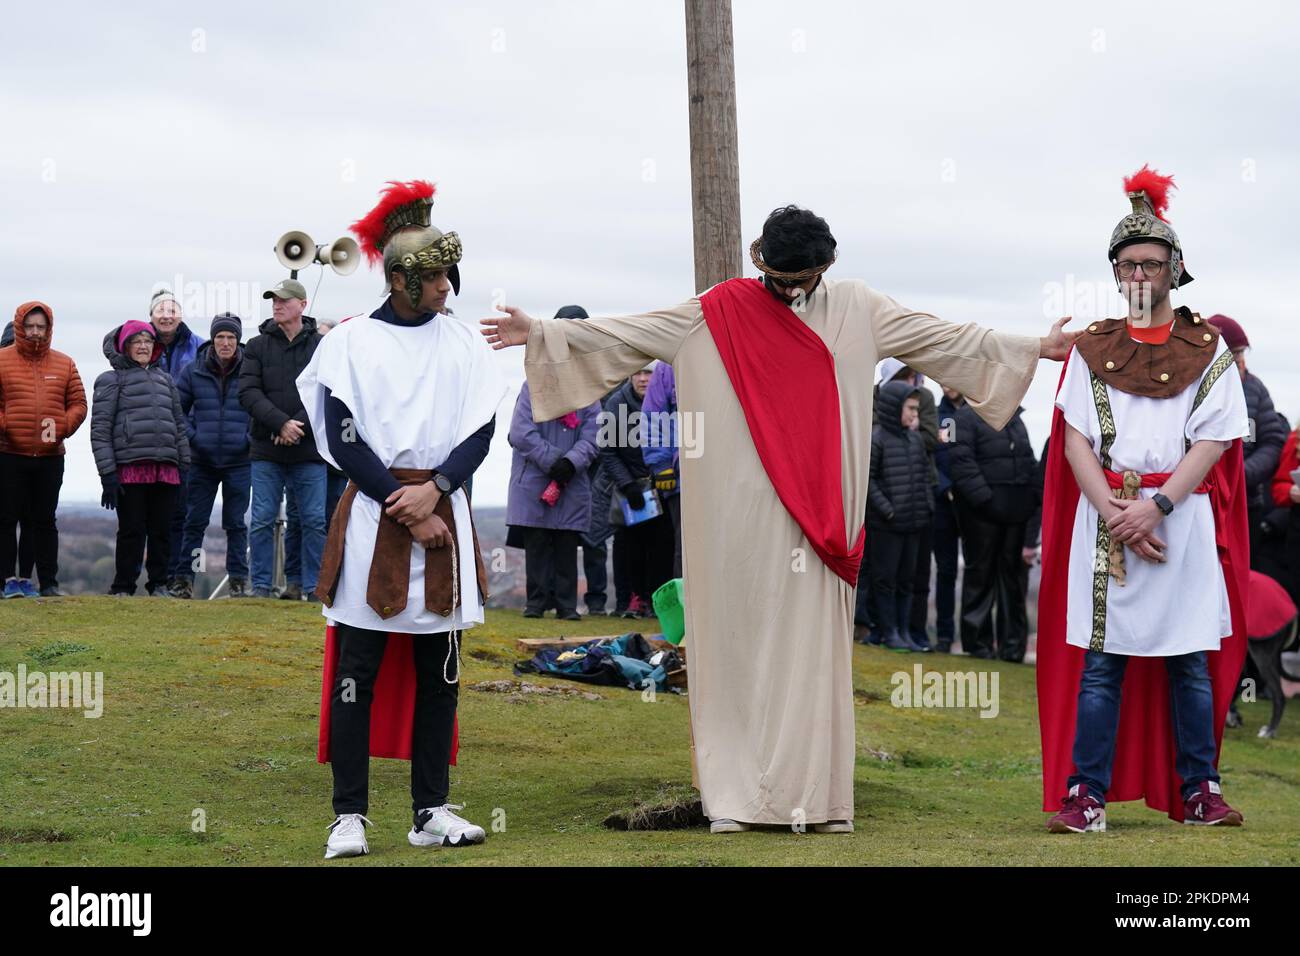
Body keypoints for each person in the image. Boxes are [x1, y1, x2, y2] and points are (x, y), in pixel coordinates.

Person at [483, 203, 1072, 833]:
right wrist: (544, 332)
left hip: (820, 521)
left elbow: (944, 337)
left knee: (813, 655)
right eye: (783, 276)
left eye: (804, 278)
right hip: (731, 521)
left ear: (825, 268)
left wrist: (1035, 346)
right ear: (762, 261)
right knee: (732, 643)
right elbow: (627, 333)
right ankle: (735, 799)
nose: (792, 289)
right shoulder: (715, 312)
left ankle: (817, 801)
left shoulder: (858, 307)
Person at [1038, 167, 1249, 833]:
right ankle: (1087, 796)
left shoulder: (1207, 348)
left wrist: (1154, 510)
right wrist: (1114, 512)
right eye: (1128, 265)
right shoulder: (1092, 347)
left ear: (1175, 270)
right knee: (1102, 666)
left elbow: (1213, 442)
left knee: (1189, 661)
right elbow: (1075, 441)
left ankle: (1199, 792)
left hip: (1177, 519)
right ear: (1116, 272)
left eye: (1152, 264)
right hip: (1107, 519)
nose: (1139, 276)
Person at [300, 179, 504, 859]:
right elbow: (342, 430)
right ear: (400, 280)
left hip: (443, 510)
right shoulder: (351, 344)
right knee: (356, 672)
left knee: (438, 674)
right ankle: (349, 817)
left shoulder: (466, 343)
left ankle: (430, 811)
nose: (449, 287)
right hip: (375, 517)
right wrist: (404, 503)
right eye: (437, 276)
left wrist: (439, 488)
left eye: (450, 274)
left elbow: (481, 428)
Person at [507, 310, 601, 620]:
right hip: (536, 478)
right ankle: (535, 603)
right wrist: (553, 461)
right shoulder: (531, 385)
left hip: (570, 481)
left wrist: (570, 464)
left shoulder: (589, 391)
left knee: (565, 546)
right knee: (537, 545)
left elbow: (594, 434)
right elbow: (520, 432)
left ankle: (566, 605)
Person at [239, 279, 326, 600]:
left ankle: (313, 587)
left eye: (284, 300)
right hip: (266, 449)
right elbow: (247, 392)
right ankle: (260, 587)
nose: (277, 305)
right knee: (261, 519)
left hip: (308, 450)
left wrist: (296, 426)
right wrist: (279, 423)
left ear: (302, 304)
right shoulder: (257, 346)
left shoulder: (321, 346)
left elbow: (325, 391)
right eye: (274, 300)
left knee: (314, 521)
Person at [91, 321, 192, 596]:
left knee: (162, 531)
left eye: (148, 341)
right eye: (137, 341)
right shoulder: (110, 380)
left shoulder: (166, 380)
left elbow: (179, 426)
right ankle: (123, 586)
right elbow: (100, 430)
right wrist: (107, 474)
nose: (144, 346)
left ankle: (158, 583)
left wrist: (184, 466)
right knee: (131, 531)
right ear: (125, 346)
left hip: (167, 470)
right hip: (130, 469)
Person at [0, 302, 87, 598]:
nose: (35, 332)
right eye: (30, 326)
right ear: (20, 326)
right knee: (6, 519)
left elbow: (78, 404)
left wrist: (62, 426)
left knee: (44, 521)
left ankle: (47, 582)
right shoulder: (1, 360)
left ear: (49, 328)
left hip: (50, 457)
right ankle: (8, 581)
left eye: (41, 326)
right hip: (8, 453)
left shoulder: (65, 363)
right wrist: (7, 425)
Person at [947, 400, 1038, 661]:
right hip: (980, 514)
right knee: (980, 575)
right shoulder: (957, 418)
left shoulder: (1015, 417)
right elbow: (959, 462)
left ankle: (1012, 648)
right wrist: (986, 500)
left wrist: (1029, 498)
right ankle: (978, 645)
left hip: (1015, 511)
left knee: (1012, 580)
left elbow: (1027, 459)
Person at [173, 313, 252, 598]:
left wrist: (249, 438)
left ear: (238, 340)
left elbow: (259, 406)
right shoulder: (193, 371)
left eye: (231, 337)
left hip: (240, 461)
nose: (226, 343)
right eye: (220, 337)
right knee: (194, 522)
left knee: (235, 523)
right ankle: (184, 580)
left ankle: (239, 582)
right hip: (201, 462)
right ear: (213, 339)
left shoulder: (251, 370)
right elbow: (177, 411)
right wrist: (193, 438)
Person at [1204, 315, 1286, 570]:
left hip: (1246, 504)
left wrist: (1241, 474)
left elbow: (1272, 443)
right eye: (1233, 353)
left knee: (1241, 572)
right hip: (1204, 503)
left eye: (1241, 353)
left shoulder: (1256, 389)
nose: (1240, 360)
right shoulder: (1194, 389)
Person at [601, 363, 672, 618]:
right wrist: (628, 484)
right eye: (638, 373)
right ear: (629, 376)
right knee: (627, 547)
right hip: (628, 486)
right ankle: (629, 600)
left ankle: (658, 602)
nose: (643, 379)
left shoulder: (669, 399)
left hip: (665, 485)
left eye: (649, 373)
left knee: (662, 547)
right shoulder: (616, 405)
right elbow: (608, 451)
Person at [149, 289, 207, 596]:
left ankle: (183, 578)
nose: (167, 315)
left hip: (187, 442)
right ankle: (155, 579)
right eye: (160, 310)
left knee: (186, 514)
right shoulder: (141, 344)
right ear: (151, 315)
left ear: (180, 314)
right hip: (151, 441)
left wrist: (193, 431)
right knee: (155, 514)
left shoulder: (198, 346)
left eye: (172, 309)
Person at [867, 380, 933, 652]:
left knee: (907, 581)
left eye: (917, 409)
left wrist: (927, 506)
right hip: (887, 525)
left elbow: (924, 477)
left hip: (914, 524)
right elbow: (868, 481)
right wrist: (888, 510)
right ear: (895, 407)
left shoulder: (915, 439)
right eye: (910, 408)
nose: (915, 414)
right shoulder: (877, 439)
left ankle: (904, 631)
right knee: (885, 580)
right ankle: (887, 631)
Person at [931, 386, 967, 651]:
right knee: (946, 571)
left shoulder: (976, 412)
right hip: (943, 505)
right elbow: (932, 457)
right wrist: (946, 488)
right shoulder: (935, 416)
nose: (947, 385)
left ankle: (971, 637)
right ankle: (944, 635)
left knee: (974, 571)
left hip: (971, 503)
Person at [643, 360, 683, 579]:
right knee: (687, 547)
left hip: (728, 476)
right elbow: (653, 418)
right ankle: (687, 609)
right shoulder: (667, 367)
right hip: (684, 477)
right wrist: (661, 464)